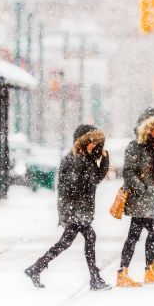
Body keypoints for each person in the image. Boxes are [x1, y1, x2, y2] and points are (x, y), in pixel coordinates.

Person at [25, 124, 111, 290]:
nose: (94, 144)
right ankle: (94, 278)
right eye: (91, 141)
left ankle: (36, 268)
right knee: (89, 236)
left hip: (80, 209)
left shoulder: (86, 157)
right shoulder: (72, 158)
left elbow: (96, 178)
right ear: (83, 140)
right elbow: (71, 186)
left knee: (65, 242)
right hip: (73, 209)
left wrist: (104, 158)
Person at [115, 107, 154, 288]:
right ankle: (134, 272)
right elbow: (129, 173)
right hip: (139, 199)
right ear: (146, 128)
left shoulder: (153, 147)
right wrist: (144, 187)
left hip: (147, 200)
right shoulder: (135, 146)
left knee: (136, 235)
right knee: (150, 231)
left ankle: (135, 271)